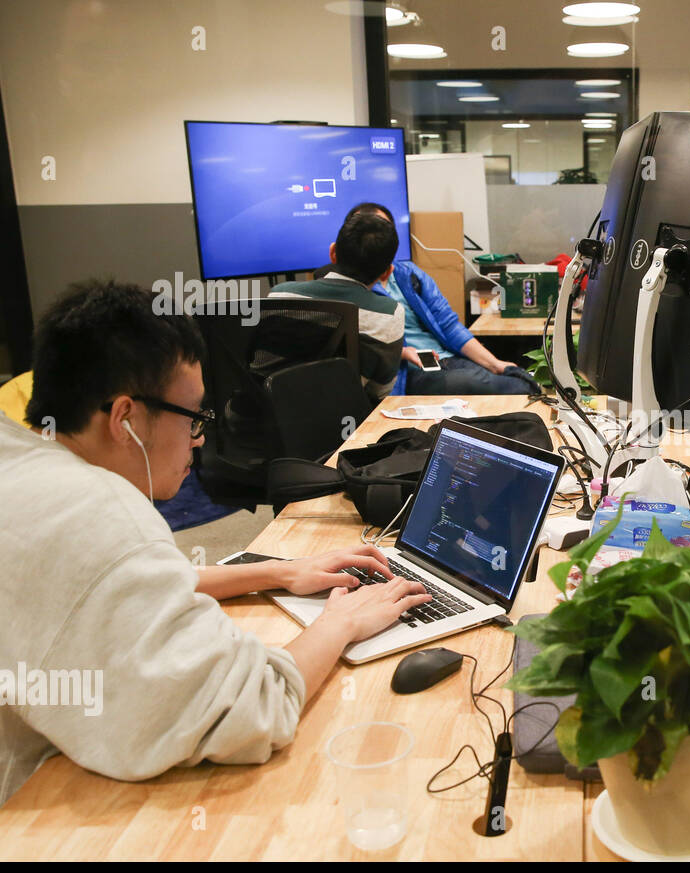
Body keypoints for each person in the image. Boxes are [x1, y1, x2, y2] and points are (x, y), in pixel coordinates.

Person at [0, 280, 431, 806]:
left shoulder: (23, 460)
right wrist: (338, 625)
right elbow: (255, 710)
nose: (201, 438)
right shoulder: (97, 515)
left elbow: (101, 580)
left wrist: (276, 571)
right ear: (125, 418)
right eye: (194, 417)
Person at [334, 202, 537, 397]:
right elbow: (356, 350)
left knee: (517, 378)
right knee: (497, 386)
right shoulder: (347, 288)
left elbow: (448, 325)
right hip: (405, 371)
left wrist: (495, 364)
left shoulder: (409, 274)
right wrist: (402, 353)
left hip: (445, 357)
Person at [271, 213, 407, 400]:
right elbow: (380, 392)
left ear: (333, 253)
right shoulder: (389, 314)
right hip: (338, 423)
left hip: (265, 417)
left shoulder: (280, 294)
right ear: (387, 273)